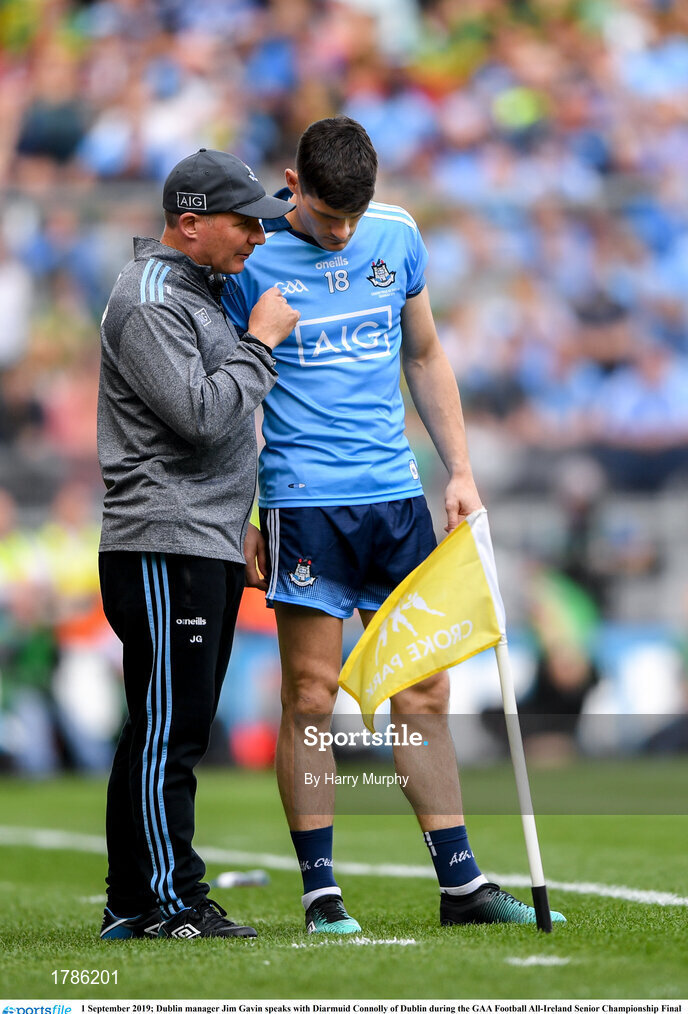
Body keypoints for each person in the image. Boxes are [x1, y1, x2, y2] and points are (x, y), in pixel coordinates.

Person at [223, 117, 565, 934]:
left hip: (395, 499)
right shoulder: (250, 254)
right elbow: (236, 393)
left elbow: (424, 354)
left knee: (425, 690)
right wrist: (244, 511)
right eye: (328, 217)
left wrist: (461, 470)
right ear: (291, 183)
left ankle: (461, 886)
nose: (342, 234)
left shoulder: (397, 235)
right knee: (311, 694)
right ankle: (320, 894)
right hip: (303, 503)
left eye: (354, 217)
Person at [97, 148, 299, 940]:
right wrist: (261, 342)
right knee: (166, 729)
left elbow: (207, 439)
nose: (257, 235)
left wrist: (233, 523)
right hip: (162, 540)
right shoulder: (150, 298)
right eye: (244, 221)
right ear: (189, 224)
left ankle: (138, 901)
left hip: (197, 536)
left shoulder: (192, 287)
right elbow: (204, 415)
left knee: (173, 726)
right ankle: (167, 903)